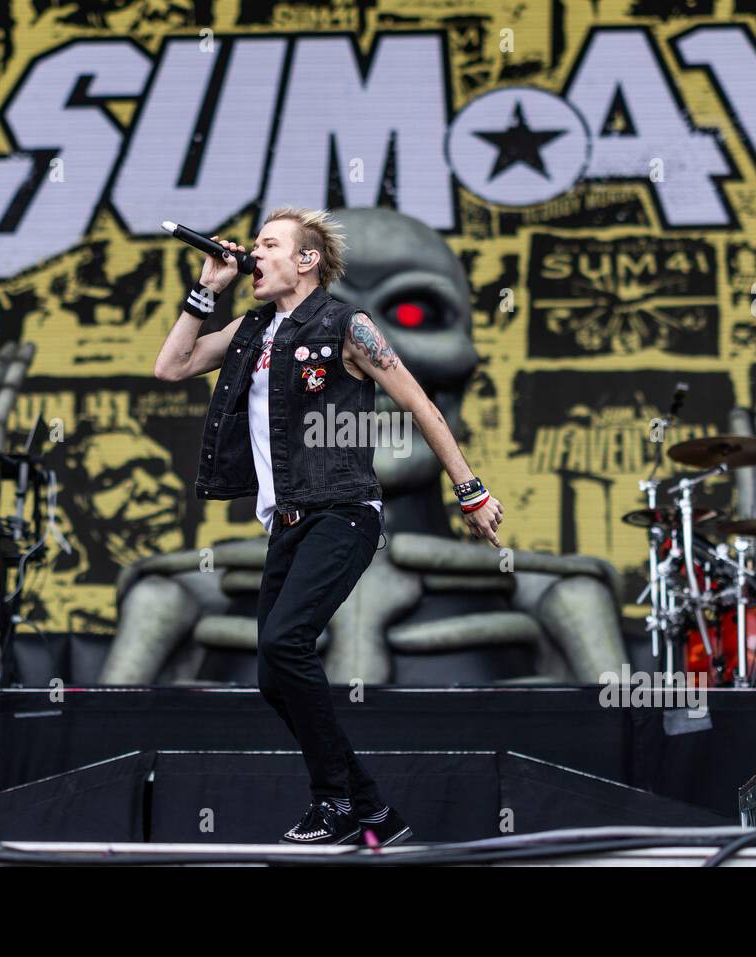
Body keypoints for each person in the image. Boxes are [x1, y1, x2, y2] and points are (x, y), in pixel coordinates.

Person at [155, 207, 504, 845]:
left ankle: (334, 804)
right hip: (286, 522)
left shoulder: (348, 324)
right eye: (253, 245)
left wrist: (469, 488)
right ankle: (373, 809)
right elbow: (171, 366)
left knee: (286, 645)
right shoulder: (252, 327)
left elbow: (420, 403)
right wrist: (207, 287)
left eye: (268, 245)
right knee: (271, 673)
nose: (254, 255)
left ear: (306, 259)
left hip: (341, 511)